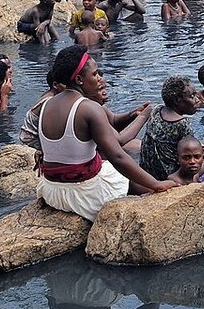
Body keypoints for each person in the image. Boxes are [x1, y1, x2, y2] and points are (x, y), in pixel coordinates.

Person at [35, 48, 177, 220]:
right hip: (81, 195)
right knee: (140, 184)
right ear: (79, 79)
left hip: (51, 191)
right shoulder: (88, 108)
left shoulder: (46, 104)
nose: (100, 78)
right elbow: (117, 156)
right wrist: (156, 185)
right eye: (95, 74)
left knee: (109, 168)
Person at [141, 76, 204, 180]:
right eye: (192, 96)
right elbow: (193, 171)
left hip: (146, 174)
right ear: (178, 100)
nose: (197, 99)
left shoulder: (157, 110)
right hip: (169, 178)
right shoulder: (182, 123)